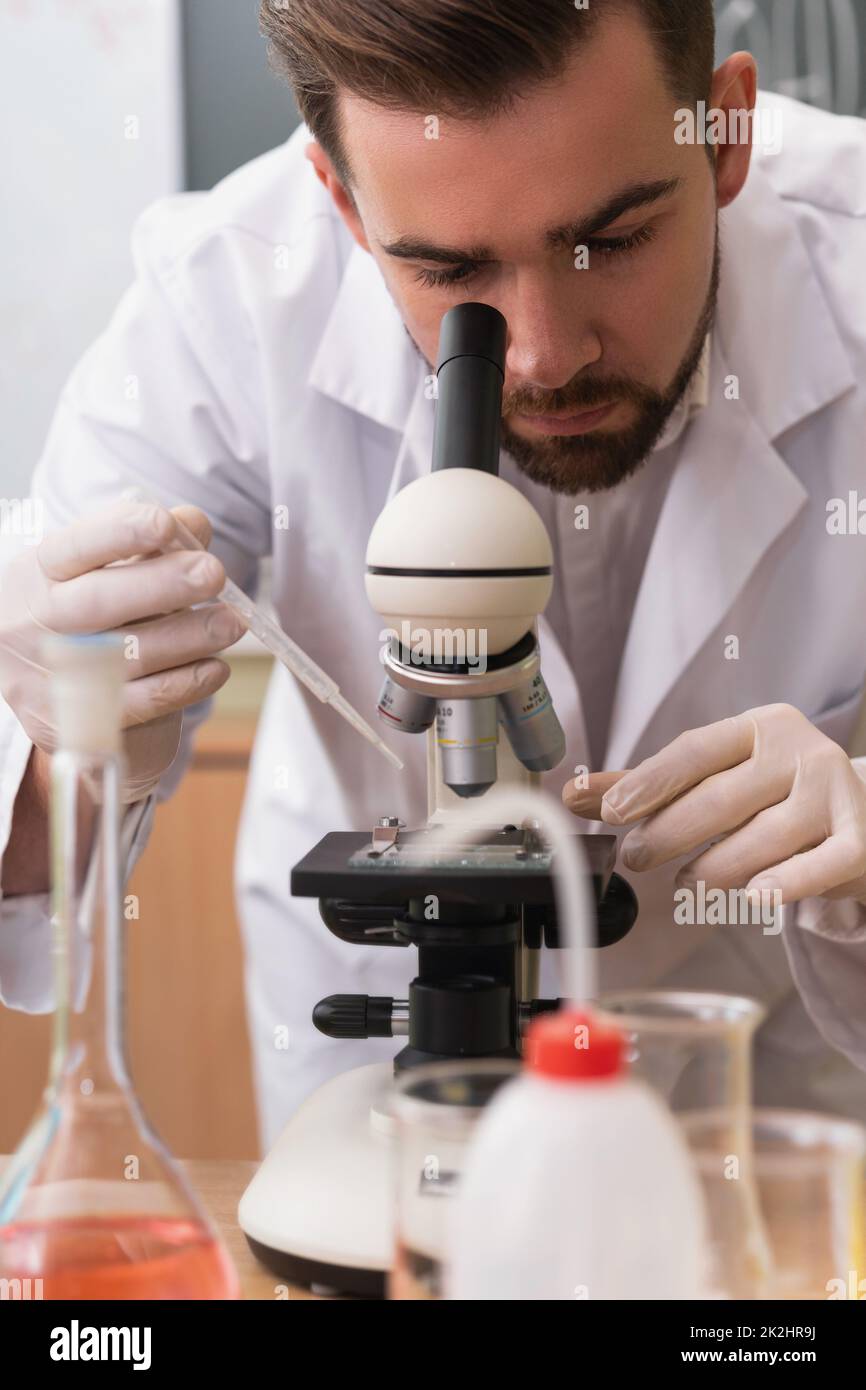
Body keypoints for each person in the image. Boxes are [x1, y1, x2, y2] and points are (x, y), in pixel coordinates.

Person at [2, 0, 865, 1147]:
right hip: (382, 1072)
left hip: (774, 1081)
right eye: (450, 268)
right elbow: (30, 878)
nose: (547, 352)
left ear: (725, 135)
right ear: (341, 201)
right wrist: (73, 747)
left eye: (609, 241)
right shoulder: (221, 304)